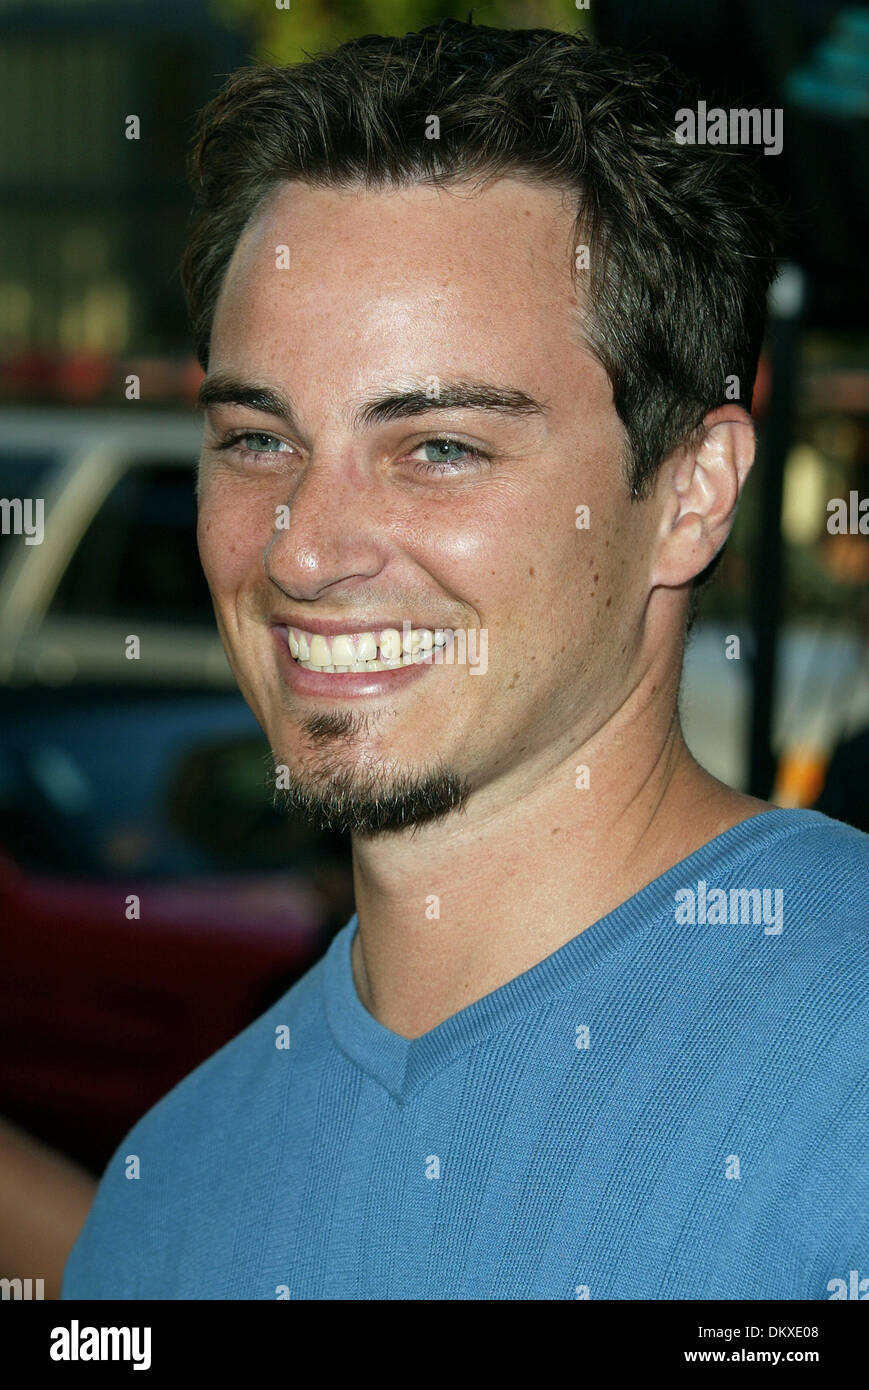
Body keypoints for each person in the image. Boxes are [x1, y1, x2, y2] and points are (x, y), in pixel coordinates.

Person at [63, 19, 867, 1300]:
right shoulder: (173, 1188)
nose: (304, 551)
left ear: (692, 492)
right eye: (259, 440)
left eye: (438, 447)